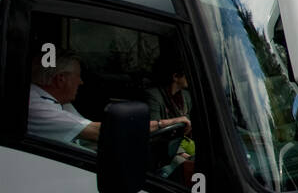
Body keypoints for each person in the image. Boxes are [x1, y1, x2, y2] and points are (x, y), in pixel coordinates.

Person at [30, 50, 188, 146]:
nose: (81, 82)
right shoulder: (36, 106)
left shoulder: (61, 104)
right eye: (78, 76)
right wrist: (164, 124)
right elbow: (99, 131)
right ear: (61, 79)